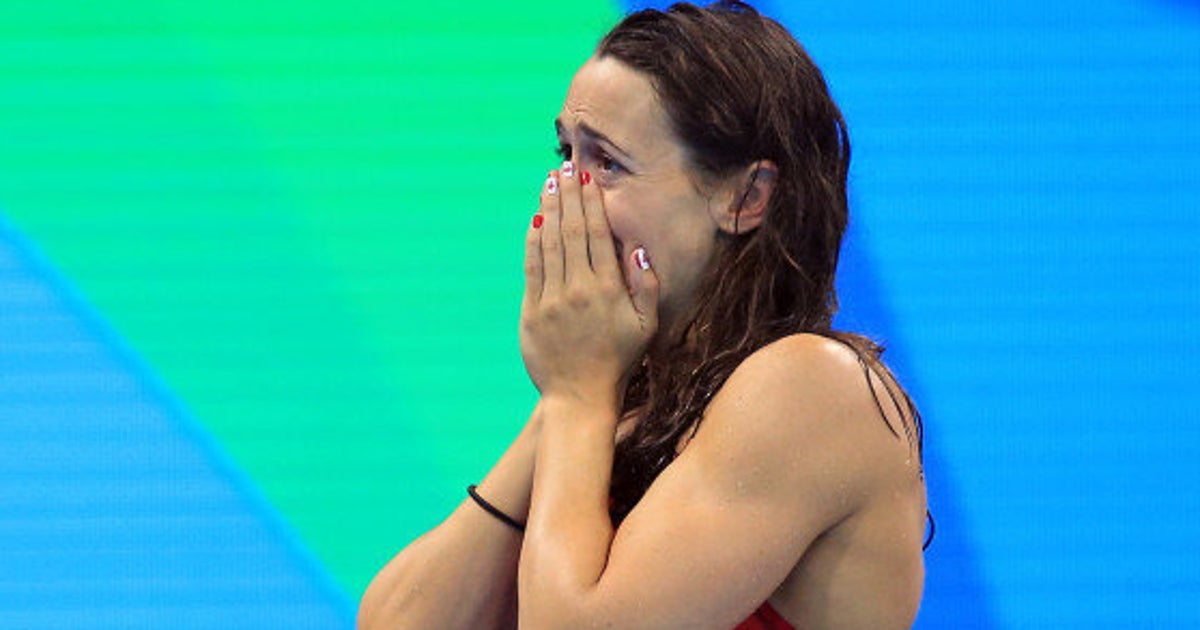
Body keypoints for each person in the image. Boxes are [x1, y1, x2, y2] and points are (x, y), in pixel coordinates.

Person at [358, 2, 928, 628]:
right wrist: (570, 398)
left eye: (606, 163)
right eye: (565, 154)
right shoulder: (623, 392)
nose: (565, 196)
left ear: (746, 197)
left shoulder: (814, 388)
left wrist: (577, 396)